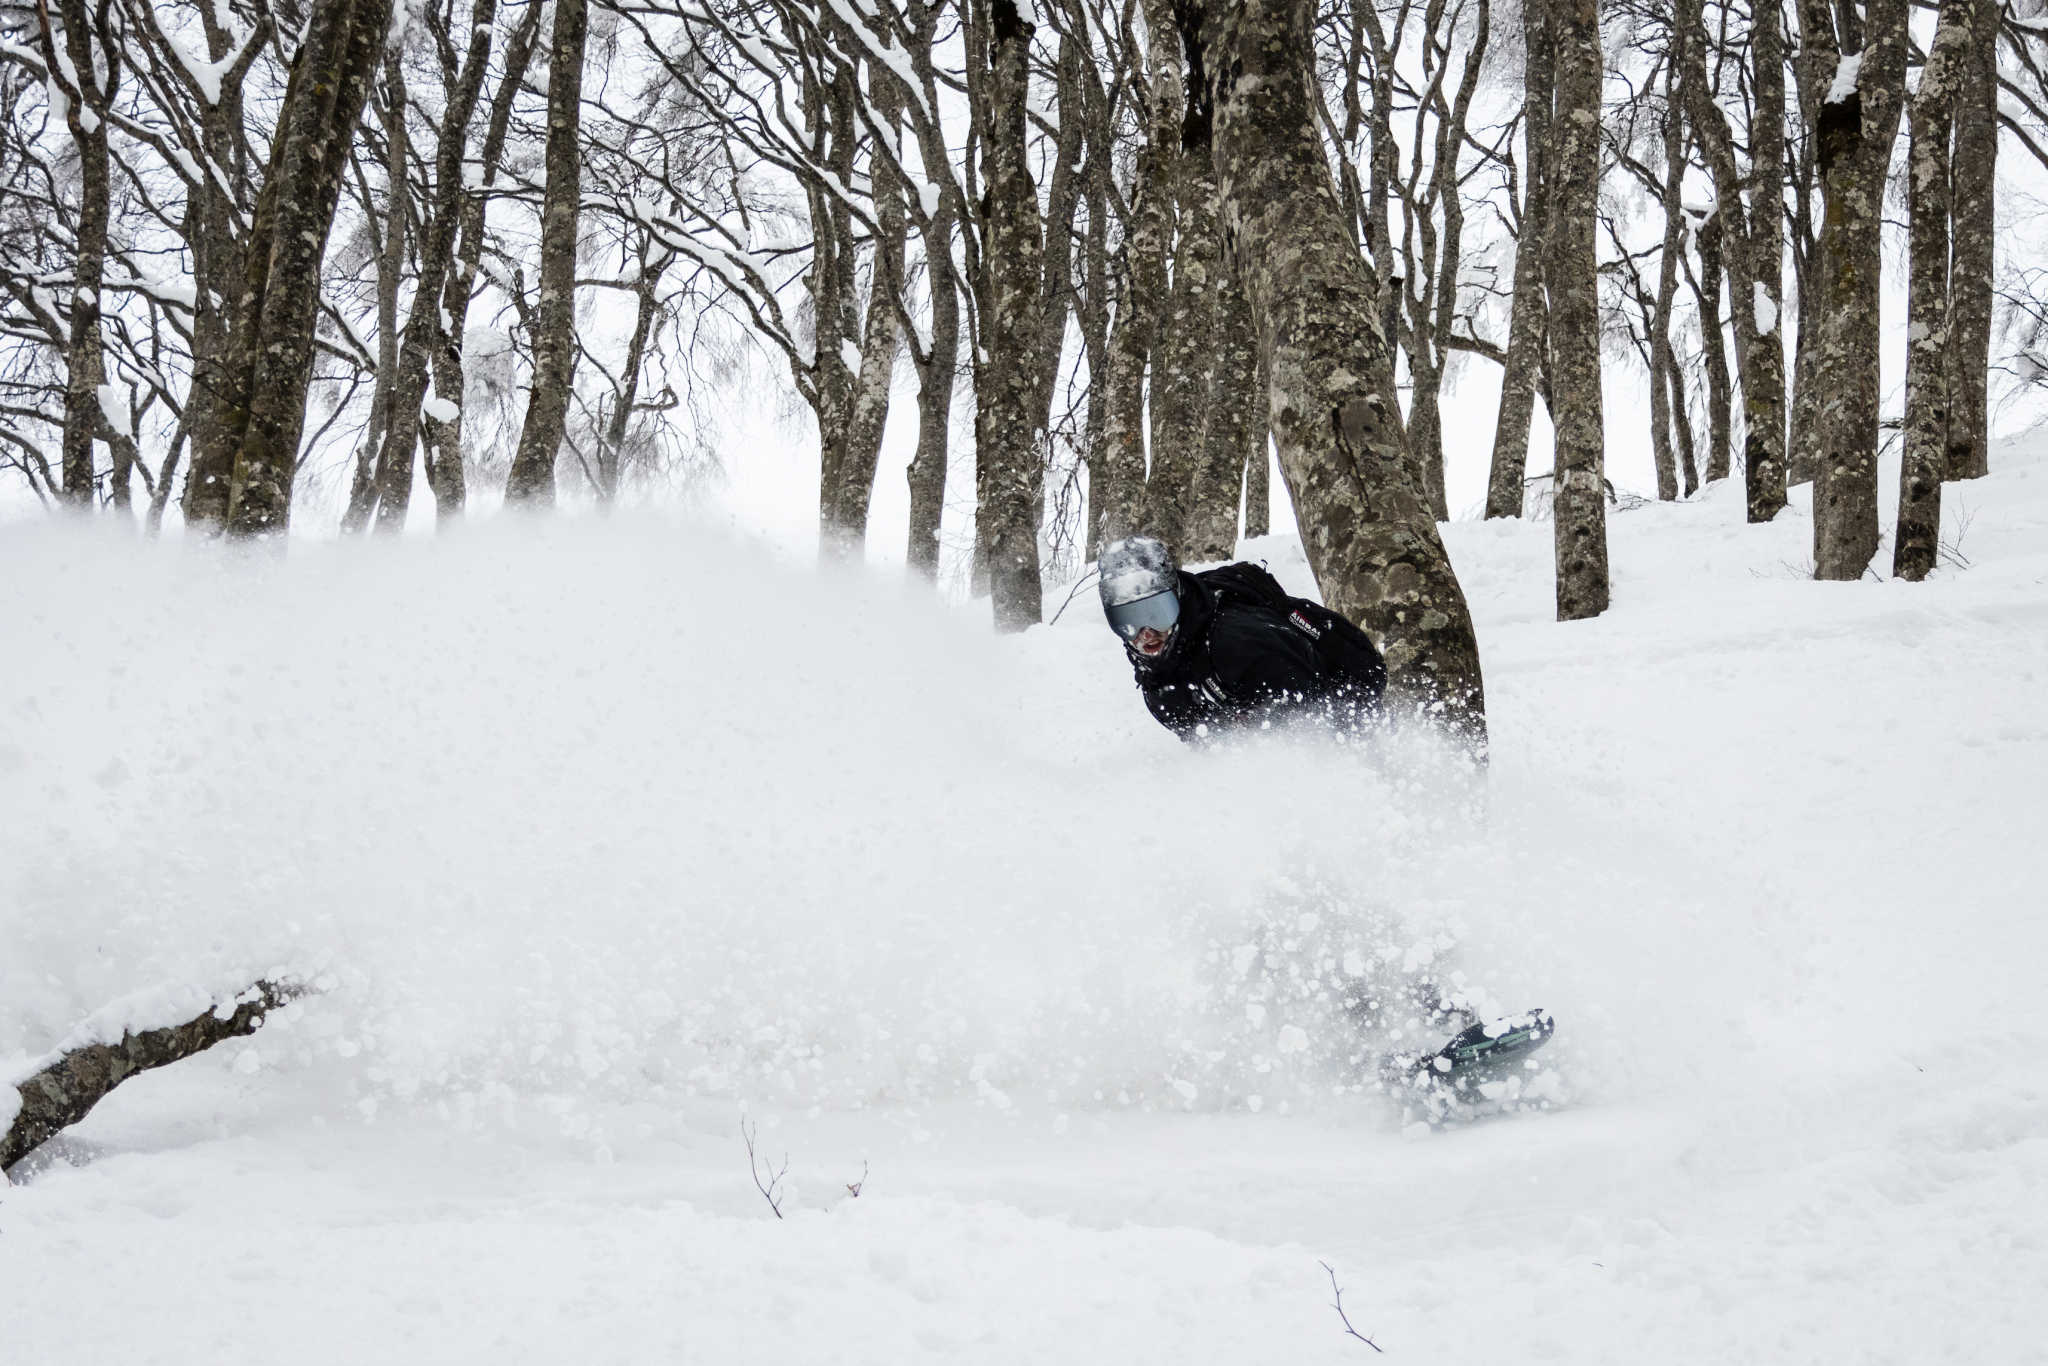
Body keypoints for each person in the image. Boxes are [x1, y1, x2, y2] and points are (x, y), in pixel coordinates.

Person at [1097, 535, 1387, 743]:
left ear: (1178, 597)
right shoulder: (1158, 682)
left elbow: (1313, 722)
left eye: (1157, 612)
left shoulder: (1238, 641)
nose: (1146, 633)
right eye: (1127, 621)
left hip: (1350, 712)